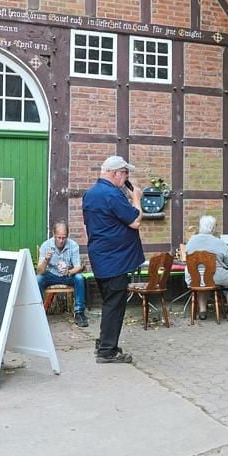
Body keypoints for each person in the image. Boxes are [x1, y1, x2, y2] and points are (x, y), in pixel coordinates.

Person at [83, 156, 143, 364]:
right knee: (114, 307)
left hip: (101, 258)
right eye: (126, 173)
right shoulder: (112, 194)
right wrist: (136, 197)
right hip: (116, 260)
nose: (126, 178)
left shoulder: (90, 194)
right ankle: (107, 351)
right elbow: (135, 221)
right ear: (116, 173)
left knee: (110, 303)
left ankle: (104, 343)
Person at [186, 215, 228, 321]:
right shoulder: (218, 242)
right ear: (213, 228)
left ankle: (203, 311)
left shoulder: (191, 241)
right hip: (215, 276)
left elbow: (187, 257)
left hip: (194, 277)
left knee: (201, 283)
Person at [36, 222, 88, 327]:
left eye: (64, 238)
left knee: (79, 278)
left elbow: (78, 267)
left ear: (67, 236)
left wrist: (69, 272)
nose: (61, 240)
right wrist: (46, 259)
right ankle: (37, 313)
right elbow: (40, 271)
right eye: (58, 237)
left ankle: (79, 313)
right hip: (51, 274)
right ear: (53, 234)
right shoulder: (46, 245)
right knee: (38, 279)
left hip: (67, 275)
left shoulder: (73, 245)